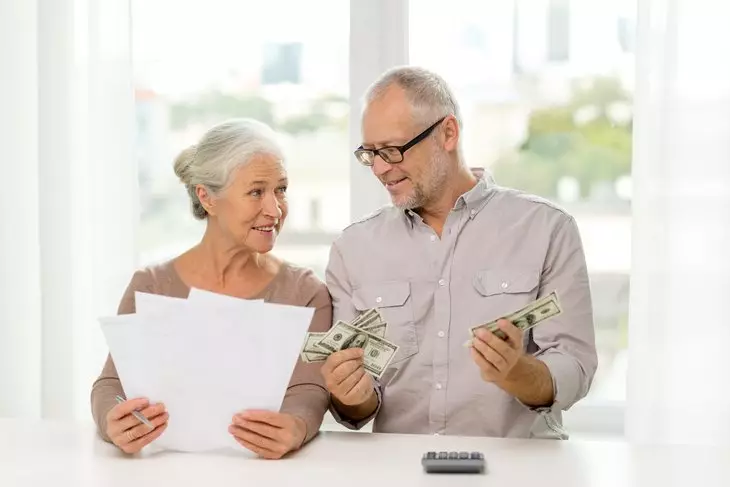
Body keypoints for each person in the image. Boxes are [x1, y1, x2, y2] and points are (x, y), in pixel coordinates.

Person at [321, 66, 597, 439]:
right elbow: (361, 406)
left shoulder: (547, 229)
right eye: (371, 154)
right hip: (400, 470)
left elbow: (575, 369)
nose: (381, 169)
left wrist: (519, 374)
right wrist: (349, 395)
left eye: (392, 150)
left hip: (516, 471)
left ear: (447, 133)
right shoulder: (352, 249)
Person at [90, 119, 331, 458]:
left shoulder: (306, 292)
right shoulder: (151, 286)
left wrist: (297, 425)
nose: (275, 210)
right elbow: (111, 384)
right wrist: (112, 421)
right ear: (207, 197)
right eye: (256, 191)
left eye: (281, 189)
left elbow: (309, 388)